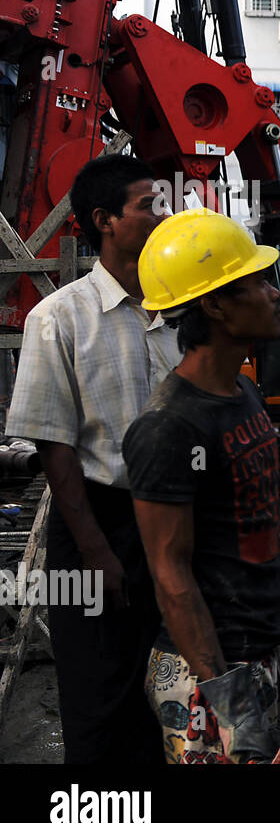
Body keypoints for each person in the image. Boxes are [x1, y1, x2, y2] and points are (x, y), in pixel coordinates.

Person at [5, 154, 178, 764]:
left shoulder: (177, 307)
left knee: (171, 690)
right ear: (103, 220)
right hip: (95, 524)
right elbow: (55, 448)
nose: (162, 215)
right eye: (147, 205)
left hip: (173, 521)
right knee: (98, 696)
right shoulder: (59, 317)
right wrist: (97, 549)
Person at [122, 208, 280, 764]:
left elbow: (261, 538)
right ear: (215, 305)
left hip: (263, 652)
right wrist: (228, 702)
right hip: (210, 676)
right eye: (258, 283)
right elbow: (171, 573)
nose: (273, 293)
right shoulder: (169, 425)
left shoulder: (244, 394)